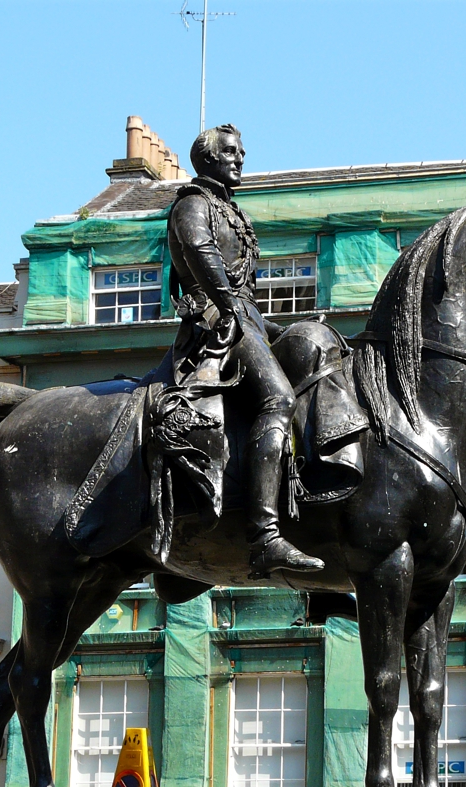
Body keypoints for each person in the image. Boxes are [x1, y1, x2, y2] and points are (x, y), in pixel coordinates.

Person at [166, 124, 325, 578]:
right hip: (214, 324)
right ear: (207, 159)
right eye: (231, 153)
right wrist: (239, 313)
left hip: (240, 320)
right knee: (279, 399)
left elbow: (246, 298)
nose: (240, 159)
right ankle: (265, 536)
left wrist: (287, 328)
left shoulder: (232, 211)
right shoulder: (192, 205)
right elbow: (203, 260)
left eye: (241, 153)